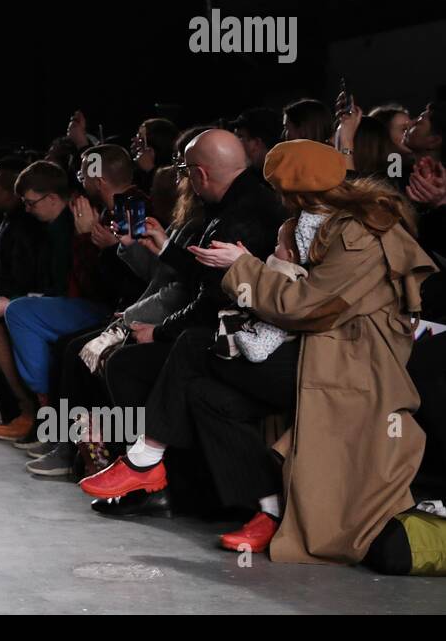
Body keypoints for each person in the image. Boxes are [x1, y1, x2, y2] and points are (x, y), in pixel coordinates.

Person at [82, 140, 435, 564]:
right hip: (312, 351)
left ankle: (145, 459)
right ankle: (267, 510)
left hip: (347, 369)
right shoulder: (320, 223)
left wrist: (241, 267)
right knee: (205, 396)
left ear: (294, 191)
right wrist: (248, 266)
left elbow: (305, 305)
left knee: (194, 344)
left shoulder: (361, 233)